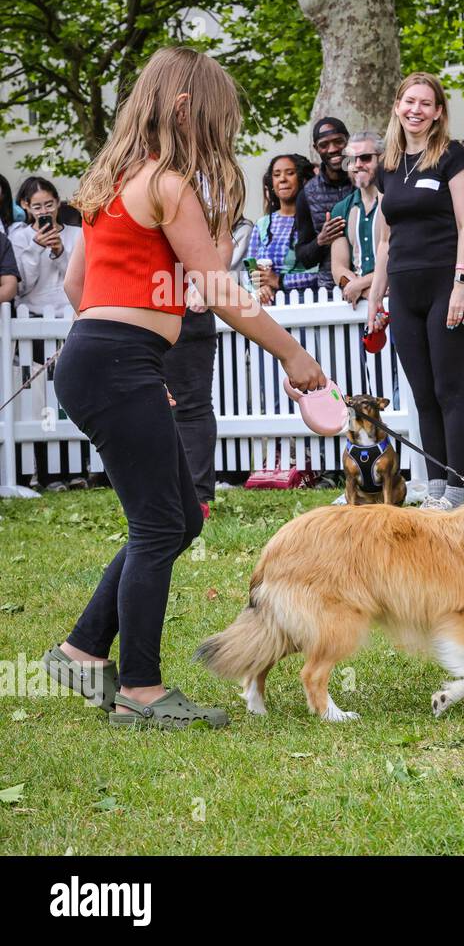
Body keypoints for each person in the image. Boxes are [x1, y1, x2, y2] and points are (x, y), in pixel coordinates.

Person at [42, 46, 326, 729]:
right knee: (158, 523)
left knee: (184, 516)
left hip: (107, 359)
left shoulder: (111, 179)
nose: (221, 135)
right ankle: (140, 688)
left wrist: (140, 368)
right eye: (217, 120)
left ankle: (81, 650)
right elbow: (218, 286)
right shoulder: (169, 182)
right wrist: (293, 354)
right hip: (117, 363)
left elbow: (80, 288)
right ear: (181, 109)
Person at [367, 72, 464, 510]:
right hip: (404, 291)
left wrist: (461, 285)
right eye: (409, 101)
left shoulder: (453, 157)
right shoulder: (388, 166)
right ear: (398, 106)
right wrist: (377, 293)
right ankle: (434, 489)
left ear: (437, 112)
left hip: (447, 285)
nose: (416, 110)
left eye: (425, 103)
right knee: (422, 393)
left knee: (450, 391)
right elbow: (384, 239)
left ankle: (456, 489)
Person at [292, 117, 355, 292]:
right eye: (324, 144)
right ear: (316, 149)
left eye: (338, 141)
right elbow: (303, 258)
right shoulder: (307, 194)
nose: (333, 149)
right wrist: (321, 240)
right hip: (330, 290)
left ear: (348, 140)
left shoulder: (367, 180)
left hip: (372, 283)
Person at [246, 153, 318, 302]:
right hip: (268, 308)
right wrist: (259, 286)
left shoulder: (314, 221)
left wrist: (279, 280)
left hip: (306, 305)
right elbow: (249, 267)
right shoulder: (262, 224)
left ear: (303, 180)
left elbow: (320, 273)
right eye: (276, 175)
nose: (282, 179)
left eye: (290, 173)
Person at [9, 177, 81, 317]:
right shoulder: (19, 237)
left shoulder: (77, 234)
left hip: (71, 314)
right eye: (37, 207)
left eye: (49, 205)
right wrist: (35, 248)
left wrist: (59, 253)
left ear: (58, 201)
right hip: (30, 315)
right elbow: (21, 287)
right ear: (26, 205)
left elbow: (80, 281)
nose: (44, 211)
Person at [329, 131, 383, 309]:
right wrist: (357, 288)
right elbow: (338, 267)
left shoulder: (396, 202)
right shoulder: (341, 209)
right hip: (358, 306)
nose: (358, 165)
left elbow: (399, 258)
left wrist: (360, 285)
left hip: (398, 299)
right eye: (351, 160)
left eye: (366, 158)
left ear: (381, 159)